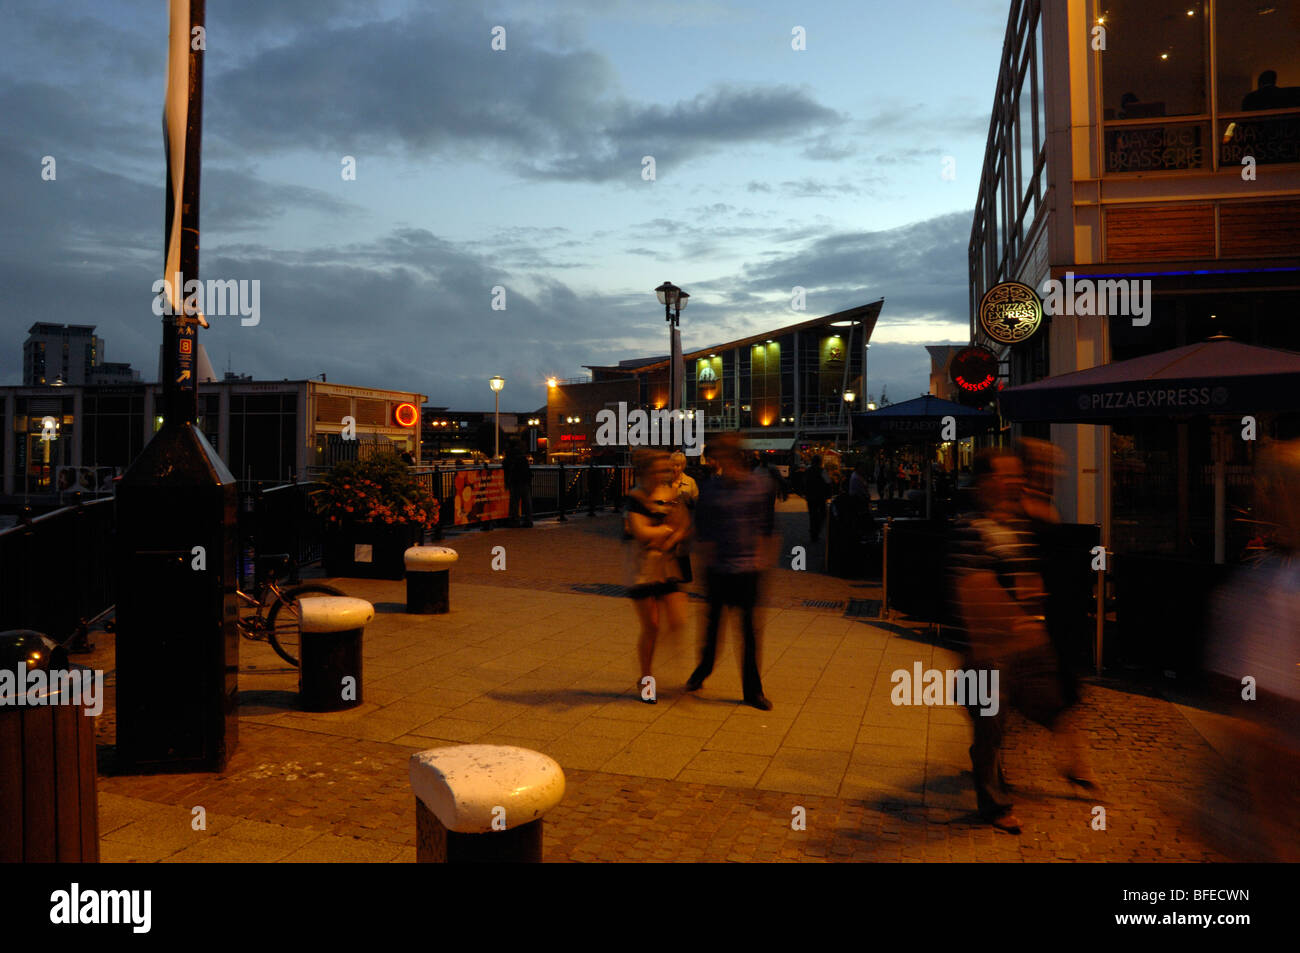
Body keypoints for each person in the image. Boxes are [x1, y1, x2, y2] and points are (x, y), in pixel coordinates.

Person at [948, 448, 1094, 834]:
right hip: (986, 651)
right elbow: (975, 588)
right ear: (986, 482)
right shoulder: (970, 528)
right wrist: (1017, 620)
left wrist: (1033, 614)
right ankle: (994, 806)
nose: (1015, 481)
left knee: (1051, 704)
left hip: (1027, 645)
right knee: (990, 729)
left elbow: (1031, 579)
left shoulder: (1017, 525)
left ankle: (1072, 765)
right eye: (1006, 475)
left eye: (1018, 475)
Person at [686, 432, 776, 710]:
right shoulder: (711, 490)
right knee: (713, 629)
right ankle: (703, 669)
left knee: (748, 632)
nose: (716, 461)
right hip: (718, 569)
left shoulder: (759, 486)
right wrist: (706, 561)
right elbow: (700, 530)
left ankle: (753, 691)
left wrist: (764, 563)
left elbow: (768, 528)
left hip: (748, 569)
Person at [624, 450, 690, 704]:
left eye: (667, 469)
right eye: (660, 470)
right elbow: (641, 532)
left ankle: (666, 668)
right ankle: (646, 677)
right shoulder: (635, 497)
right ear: (645, 472)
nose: (665, 474)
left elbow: (683, 525)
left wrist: (669, 537)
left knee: (677, 620)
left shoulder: (670, 495)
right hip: (641, 570)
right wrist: (665, 529)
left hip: (668, 567)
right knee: (651, 626)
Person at [503, 439, 533, 527]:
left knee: (514, 502)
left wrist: (507, 481)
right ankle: (528, 520)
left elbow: (506, 466)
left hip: (515, 481)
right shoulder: (522, 456)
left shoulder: (510, 455)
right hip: (525, 480)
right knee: (527, 502)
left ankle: (515, 520)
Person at [804, 454, 831, 542]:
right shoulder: (822, 471)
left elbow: (804, 483)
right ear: (820, 462)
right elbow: (828, 482)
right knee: (822, 514)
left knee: (812, 515)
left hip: (810, 496)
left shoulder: (808, 471)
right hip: (820, 496)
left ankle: (813, 533)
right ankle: (816, 531)